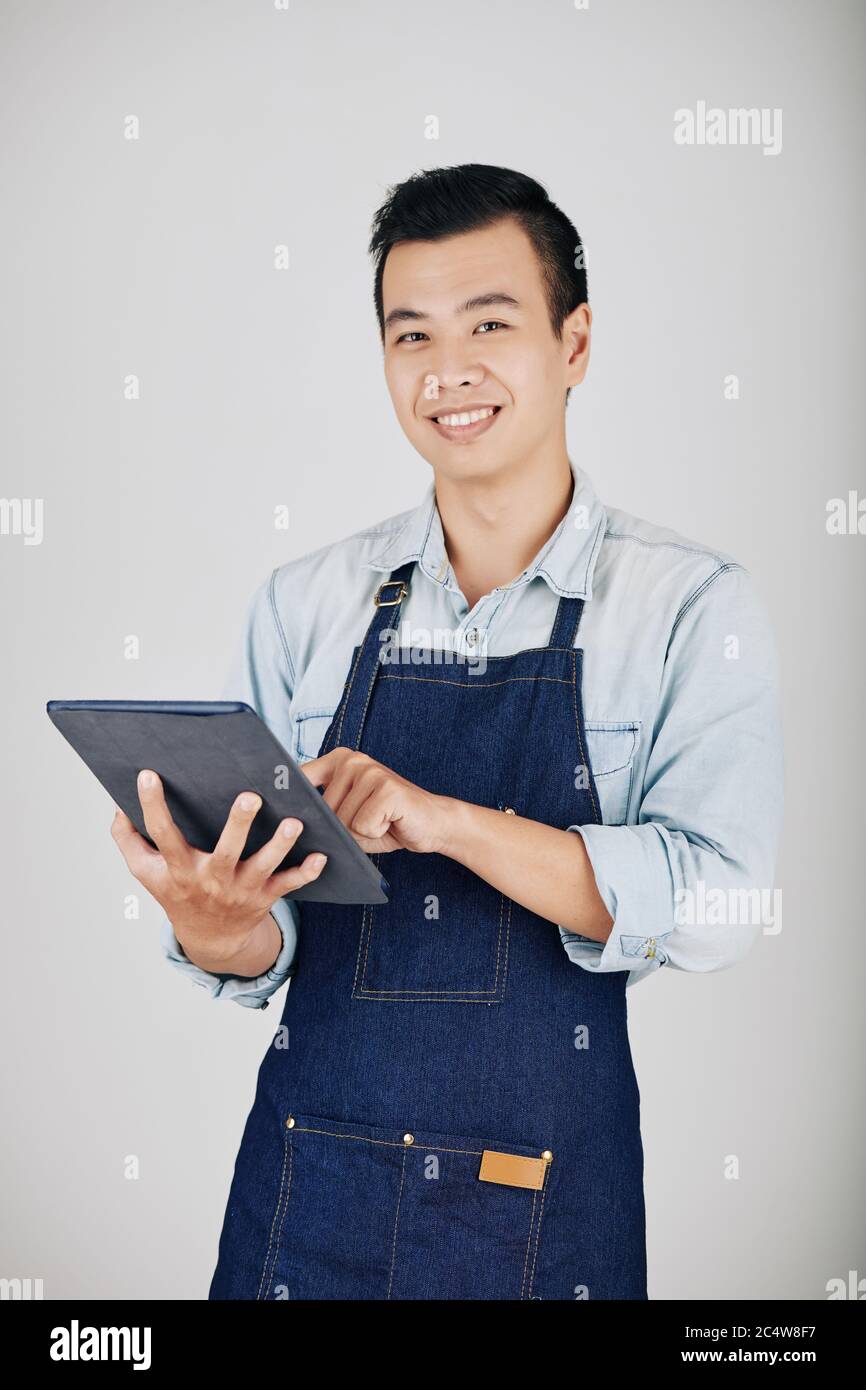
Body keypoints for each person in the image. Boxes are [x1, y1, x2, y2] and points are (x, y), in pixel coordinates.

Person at [110, 164, 784, 1301]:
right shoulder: (305, 603)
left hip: (543, 1204)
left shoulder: (686, 605)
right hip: (307, 1192)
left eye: (489, 323)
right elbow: (267, 941)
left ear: (574, 343)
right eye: (410, 334)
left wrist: (449, 822)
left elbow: (723, 906)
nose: (447, 370)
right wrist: (213, 920)